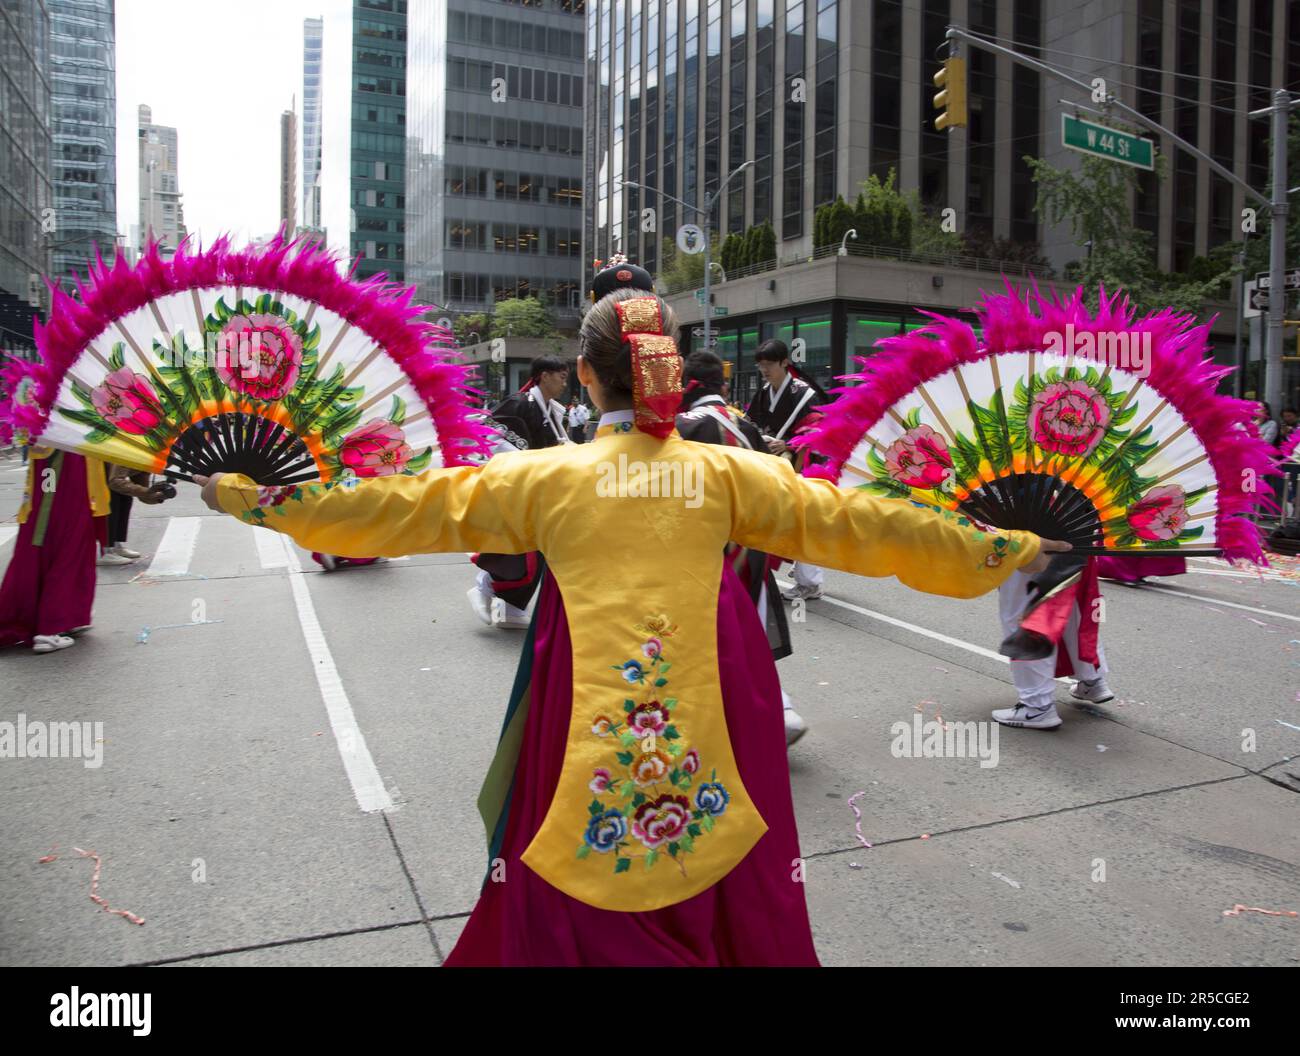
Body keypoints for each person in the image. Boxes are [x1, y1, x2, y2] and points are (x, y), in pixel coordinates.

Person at [196, 286, 1067, 966]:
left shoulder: (542, 479)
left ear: (585, 374)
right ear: (673, 372)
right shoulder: (731, 473)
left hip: (587, 675)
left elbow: (394, 507)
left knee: (582, 818)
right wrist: (1016, 546)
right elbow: (867, 523)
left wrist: (251, 494)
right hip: (723, 674)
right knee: (722, 831)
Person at [676, 350, 808, 746]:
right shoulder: (746, 425)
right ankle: (776, 707)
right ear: (723, 385)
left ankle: (716, 721)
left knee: (705, 638)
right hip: (749, 548)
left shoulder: (682, 427)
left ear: (688, 387)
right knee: (749, 629)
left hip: (701, 551)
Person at [468, 355, 571, 628]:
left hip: (540, 489)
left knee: (537, 549)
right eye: (560, 375)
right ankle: (485, 584)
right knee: (521, 549)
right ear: (544, 375)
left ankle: (511, 607)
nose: (564, 382)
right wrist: (526, 462)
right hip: (518, 486)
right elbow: (489, 435)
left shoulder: (553, 409)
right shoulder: (519, 403)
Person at [0, 448, 110, 653]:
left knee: (46, 540)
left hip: (52, 467)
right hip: (64, 462)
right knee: (68, 544)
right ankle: (51, 626)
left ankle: (67, 615)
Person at [744, 339, 828, 600]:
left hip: (800, 465)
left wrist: (789, 443)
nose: (765, 370)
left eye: (769, 364)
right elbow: (751, 423)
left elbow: (818, 430)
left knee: (802, 521)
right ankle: (804, 572)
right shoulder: (763, 393)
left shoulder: (804, 394)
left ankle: (810, 582)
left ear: (784, 363)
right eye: (761, 366)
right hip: (773, 465)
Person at [994, 558, 1112, 730]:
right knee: (1074, 607)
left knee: (1026, 612)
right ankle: (1092, 681)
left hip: (1031, 542)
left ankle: (1037, 706)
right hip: (1077, 541)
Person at [99, 463, 172, 565]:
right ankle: (104, 551)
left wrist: (159, 496)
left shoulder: (146, 462)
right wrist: (147, 491)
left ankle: (115, 545)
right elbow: (115, 482)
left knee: (125, 496)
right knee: (111, 500)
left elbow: (143, 494)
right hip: (97, 472)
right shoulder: (131, 453)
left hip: (109, 476)